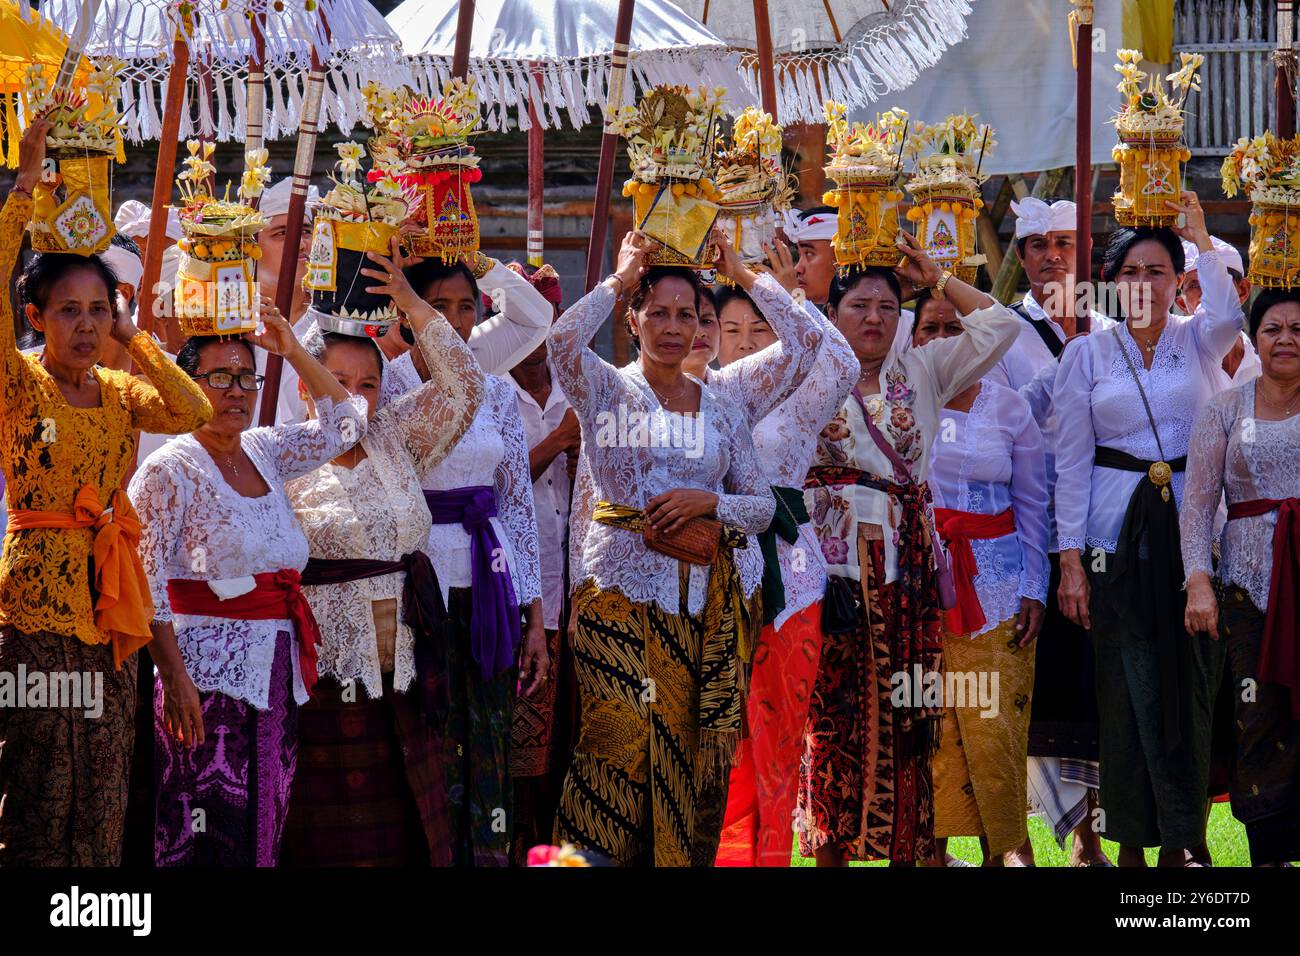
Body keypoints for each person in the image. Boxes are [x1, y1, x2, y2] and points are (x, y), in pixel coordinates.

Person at [0, 120, 212, 865]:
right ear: (35, 318)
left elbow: (194, 410)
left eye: (98, 311)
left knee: (103, 794)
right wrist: (22, 193)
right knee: (39, 789)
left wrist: (137, 337)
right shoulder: (19, 384)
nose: (85, 326)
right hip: (34, 610)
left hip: (111, 605)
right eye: (68, 311)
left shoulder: (122, 388)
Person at [550, 232, 776, 866]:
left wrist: (711, 504)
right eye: (658, 312)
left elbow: (760, 509)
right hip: (616, 602)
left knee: (682, 761)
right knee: (615, 751)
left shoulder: (723, 408)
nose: (674, 328)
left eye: (688, 315)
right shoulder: (607, 390)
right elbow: (561, 342)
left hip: (698, 611)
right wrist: (620, 277)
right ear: (633, 320)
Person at [800, 235, 1020, 867]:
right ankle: (829, 857)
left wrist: (940, 278)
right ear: (833, 312)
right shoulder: (809, 372)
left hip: (906, 574)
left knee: (911, 717)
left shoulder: (924, 370)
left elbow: (1000, 326)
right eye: (858, 306)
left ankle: (909, 854)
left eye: (887, 307)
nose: (873, 318)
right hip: (830, 575)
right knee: (831, 719)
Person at [129, 304, 368, 866]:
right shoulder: (170, 468)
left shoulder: (262, 448)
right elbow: (147, 581)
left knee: (266, 822)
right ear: (189, 385)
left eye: (246, 377)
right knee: (205, 829)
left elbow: (347, 424)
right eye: (219, 378)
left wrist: (293, 350)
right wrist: (175, 677)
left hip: (276, 671)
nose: (236, 391)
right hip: (203, 678)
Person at [279, 245, 486, 866]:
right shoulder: (281, 454)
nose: (357, 397)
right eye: (339, 383)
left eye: (369, 383)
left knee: (405, 821)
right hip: (321, 664)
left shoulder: (396, 437)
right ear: (306, 387)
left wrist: (411, 304)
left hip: (405, 652)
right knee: (333, 824)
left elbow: (466, 384)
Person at [1054, 192, 1244, 867]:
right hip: (1113, 539)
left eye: (1158, 270)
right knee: (1125, 687)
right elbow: (1071, 460)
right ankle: (1130, 842)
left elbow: (1231, 313)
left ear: (1177, 278)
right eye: (1130, 271)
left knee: (1190, 683)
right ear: (1111, 280)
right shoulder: (1087, 355)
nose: (1143, 283)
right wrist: (1070, 558)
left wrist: (1202, 237)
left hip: (1196, 534)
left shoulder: (1200, 337)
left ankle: (1185, 840)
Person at [384, 254, 549, 868]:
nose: (452, 321)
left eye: (465, 307)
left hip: (488, 581)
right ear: (410, 311)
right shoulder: (388, 381)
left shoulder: (497, 386)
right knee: (426, 729)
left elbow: (516, 505)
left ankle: (488, 856)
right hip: (413, 586)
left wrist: (533, 614)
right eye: (438, 305)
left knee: (488, 730)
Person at [714, 264, 860, 868]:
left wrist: (760, 279)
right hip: (712, 580)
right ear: (710, 332)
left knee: (777, 747)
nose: (746, 342)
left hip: (792, 586)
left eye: (760, 327)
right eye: (730, 328)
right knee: (722, 747)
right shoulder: (693, 399)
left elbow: (845, 362)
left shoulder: (802, 402)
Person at [986, 196, 1114, 866]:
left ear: (1084, 251)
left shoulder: (1117, 327)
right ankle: (1017, 841)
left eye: (1066, 242)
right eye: (1038, 245)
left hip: (1110, 522)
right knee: (1035, 679)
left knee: (1096, 679)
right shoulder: (1004, 331)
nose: (1053, 256)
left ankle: (1092, 836)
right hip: (1033, 525)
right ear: (1021, 255)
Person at [912, 291, 1048, 866]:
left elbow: (1034, 504)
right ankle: (931, 855)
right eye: (930, 328)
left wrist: (1035, 587)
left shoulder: (1011, 407)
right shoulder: (899, 401)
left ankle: (1004, 854)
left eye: (956, 327)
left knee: (995, 725)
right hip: (918, 581)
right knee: (931, 722)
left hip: (998, 580)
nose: (944, 338)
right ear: (911, 338)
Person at [1182, 288, 1300, 867]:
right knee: (1258, 718)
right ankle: (1269, 860)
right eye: (1274, 328)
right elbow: (1198, 507)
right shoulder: (1225, 409)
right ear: (1254, 339)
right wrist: (1198, 582)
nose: (1286, 339)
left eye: (1298, 328)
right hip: (1247, 589)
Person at [504, 263, 580, 864]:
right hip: (520, 597)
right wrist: (557, 441)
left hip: (578, 592)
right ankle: (521, 846)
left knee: (573, 743)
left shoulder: (579, 388)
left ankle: (567, 850)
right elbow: (498, 488)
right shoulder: (491, 392)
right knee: (521, 746)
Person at [1178, 237, 1258, 386]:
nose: (1207, 295)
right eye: (1194, 286)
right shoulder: (1173, 368)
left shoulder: (1265, 364)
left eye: (1219, 284)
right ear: (1183, 304)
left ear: (1243, 291)